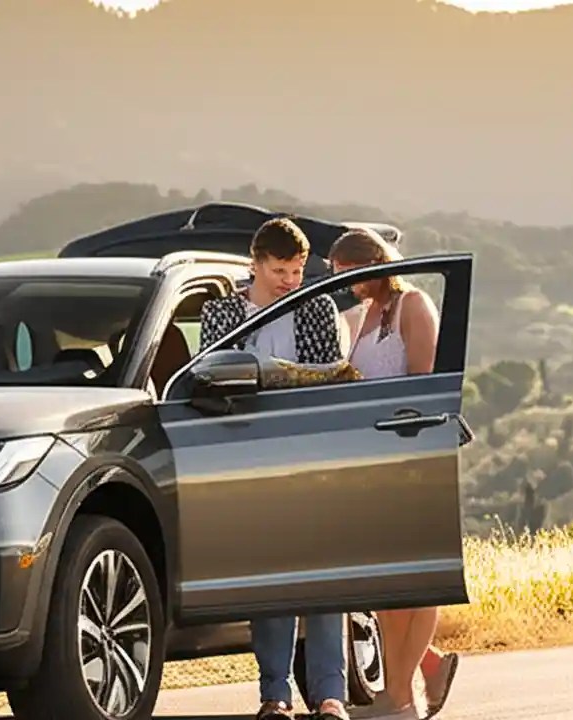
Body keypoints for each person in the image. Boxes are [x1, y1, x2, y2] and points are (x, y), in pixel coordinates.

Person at [199, 216, 353, 720]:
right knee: (270, 581)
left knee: (323, 578)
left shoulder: (317, 309)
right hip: (249, 457)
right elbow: (211, 373)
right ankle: (275, 696)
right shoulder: (222, 312)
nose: (291, 280)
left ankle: (331, 695)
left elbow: (330, 376)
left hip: (311, 455)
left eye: (297, 269)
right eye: (282, 270)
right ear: (257, 263)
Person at [328, 228, 460, 720]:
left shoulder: (414, 305)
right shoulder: (360, 317)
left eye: (353, 275)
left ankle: (400, 696)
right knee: (385, 584)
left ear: (375, 265)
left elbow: (425, 379)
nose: (350, 285)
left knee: (417, 579)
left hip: (411, 454)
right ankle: (403, 688)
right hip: (370, 461)